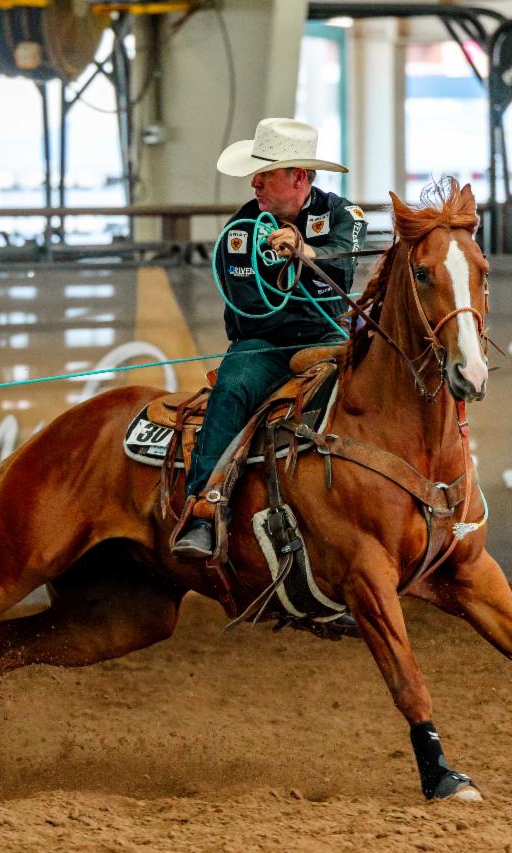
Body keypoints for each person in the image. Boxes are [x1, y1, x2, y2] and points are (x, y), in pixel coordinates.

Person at [173, 117, 366, 559]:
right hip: (266, 346)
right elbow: (248, 305)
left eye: (265, 173)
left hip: (329, 335)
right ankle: (201, 508)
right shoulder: (240, 231)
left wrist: (305, 252)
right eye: (255, 173)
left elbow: (346, 253)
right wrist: (281, 268)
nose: (255, 181)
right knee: (234, 386)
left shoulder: (343, 214)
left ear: (298, 176)